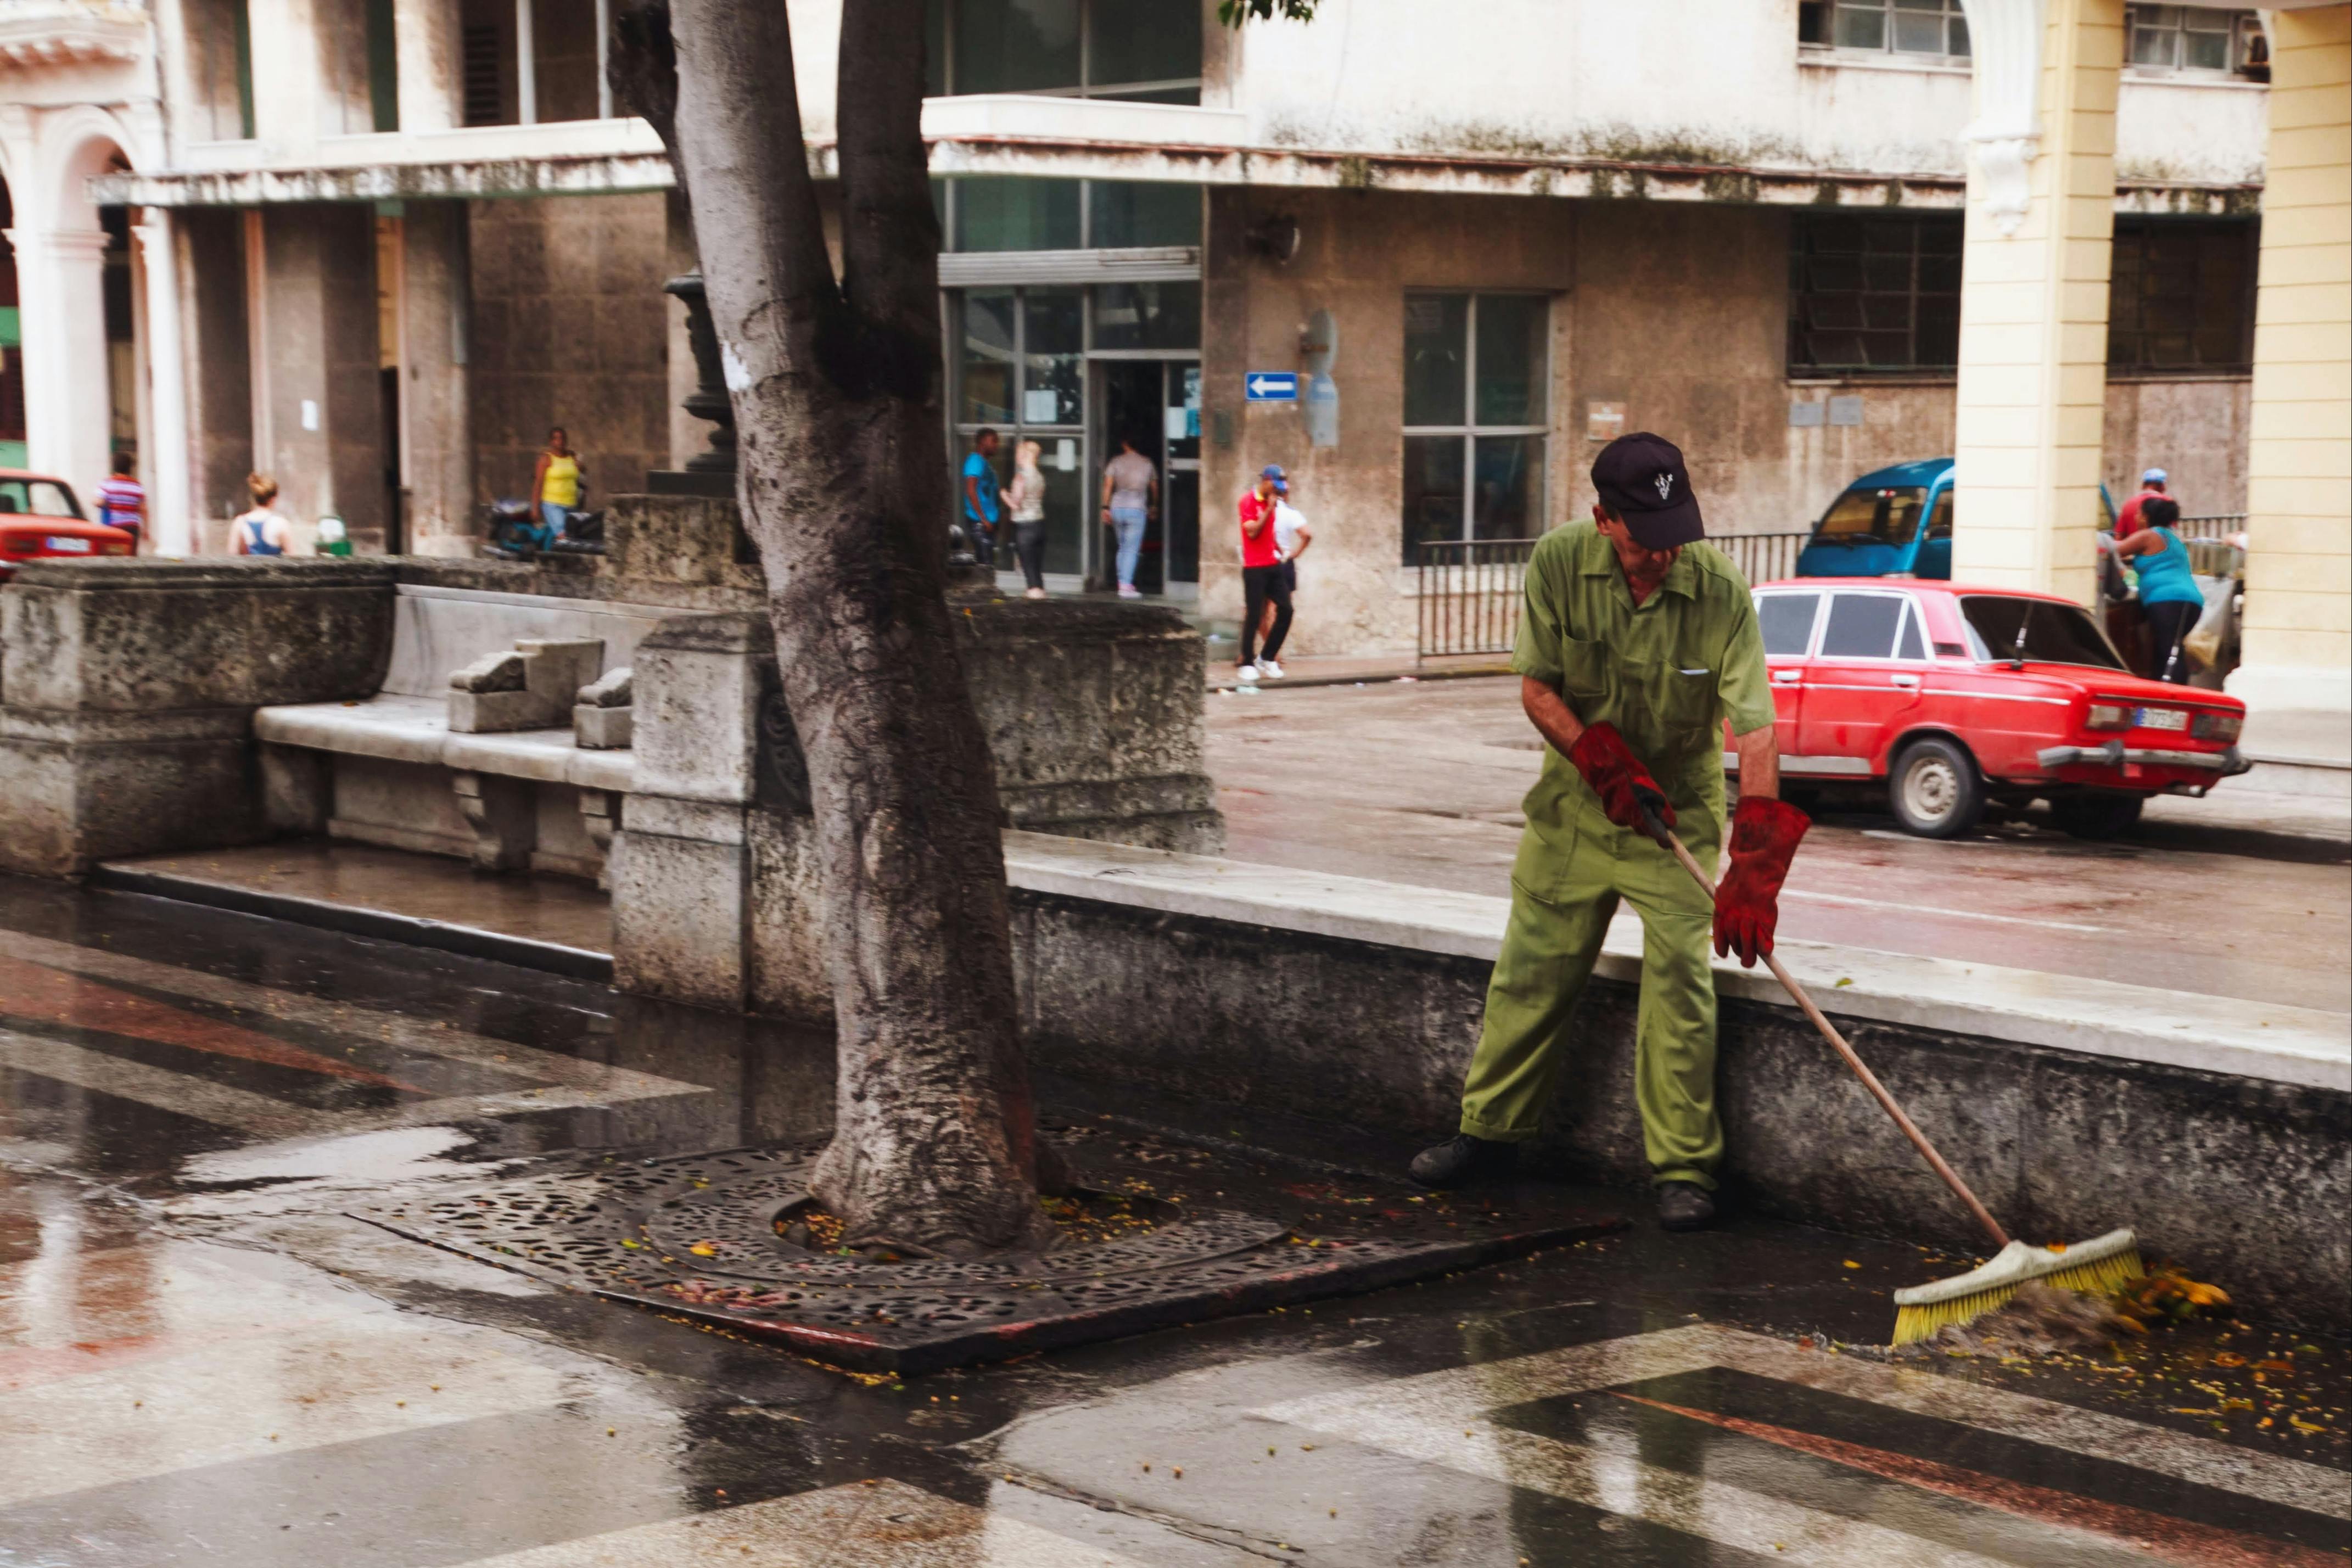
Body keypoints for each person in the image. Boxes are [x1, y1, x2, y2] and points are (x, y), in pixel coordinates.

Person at [1408, 432, 1804, 1235]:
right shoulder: (1556, 564)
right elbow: (1537, 687)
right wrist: (1596, 756)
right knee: (1531, 972)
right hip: (1580, 806)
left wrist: (1755, 868)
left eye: (1674, 536)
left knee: (1682, 990)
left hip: (1678, 817)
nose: (1662, 556)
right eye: (1644, 539)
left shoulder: (1719, 590)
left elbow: (1756, 732)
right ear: (1602, 519)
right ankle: (1488, 1133)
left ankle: (1685, 1168)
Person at [2114, 496, 2205, 684]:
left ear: (2146, 517)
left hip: (2168, 601)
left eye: (2139, 513)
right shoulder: (2172, 538)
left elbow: (2114, 549)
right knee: (2170, 650)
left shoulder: (2148, 535)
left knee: (2168, 651)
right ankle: (2161, 696)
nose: (2136, 517)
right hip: (2189, 601)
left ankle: (2175, 701)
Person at [1236, 465, 1292, 680]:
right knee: (1254, 615)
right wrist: (1268, 509)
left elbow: (1268, 532)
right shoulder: (1248, 501)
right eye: (1276, 487)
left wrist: (1279, 548)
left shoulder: (1274, 502)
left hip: (1272, 564)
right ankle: (1248, 662)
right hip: (1254, 567)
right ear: (1266, 481)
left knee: (1287, 609)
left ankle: (1267, 658)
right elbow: (1251, 532)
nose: (1278, 492)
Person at [1100, 435, 1158, 600]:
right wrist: (1154, 506)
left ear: (1124, 443)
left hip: (1117, 507)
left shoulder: (1116, 462)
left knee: (1122, 546)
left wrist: (1105, 507)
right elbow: (1154, 486)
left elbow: (1108, 485)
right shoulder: (1147, 463)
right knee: (1131, 548)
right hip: (1137, 508)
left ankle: (1123, 582)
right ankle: (1126, 585)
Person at [1261, 478, 1314, 647]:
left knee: (1262, 611)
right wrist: (1296, 553)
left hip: (1263, 562)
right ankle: (1273, 652)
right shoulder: (1292, 513)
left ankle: (1270, 652)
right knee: (1282, 611)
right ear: (1286, 494)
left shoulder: (1263, 510)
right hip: (1284, 562)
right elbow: (1307, 535)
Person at [528, 427, 584, 552]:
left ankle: (547, 551)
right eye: (557, 439)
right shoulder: (546, 459)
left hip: (571, 504)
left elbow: (582, 475)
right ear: (551, 442)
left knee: (573, 536)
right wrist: (535, 508)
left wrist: (582, 467)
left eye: (563, 439)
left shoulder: (572, 457)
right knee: (563, 536)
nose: (560, 442)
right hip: (553, 504)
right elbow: (538, 484)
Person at [1007, 438, 1050, 598]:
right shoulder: (1039, 476)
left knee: (1029, 570)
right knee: (1037, 569)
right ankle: (1040, 597)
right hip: (1039, 523)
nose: (1017, 458)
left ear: (1024, 456)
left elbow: (1016, 503)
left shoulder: (1021, 477)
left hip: (1024, 526)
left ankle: (1035, 600)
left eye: (1018, 455)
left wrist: (1004, 495)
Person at [961, 429, 1003, 567]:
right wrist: (983, 519)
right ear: (983, 442)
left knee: (988, 564)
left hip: (989, 523)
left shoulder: (985, 464)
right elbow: (971, 490)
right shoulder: (975, 461)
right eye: (994, 441)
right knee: (985, 566)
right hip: (980, 524)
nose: (997, 445)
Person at [232, 473, 294, 556]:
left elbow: (232, 556)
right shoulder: (281, 523)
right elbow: (292, 558)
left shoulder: (240, 523)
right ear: (273, 499)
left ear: (253, 497)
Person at [96, 451, 146, 549]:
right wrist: (146, 530)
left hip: (114, 527)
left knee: (115, 555)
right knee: (131, 554)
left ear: (114, 466)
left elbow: (99, 502)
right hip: (132, 527)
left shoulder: (107, 483)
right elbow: (143, 509)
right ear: (130, 467)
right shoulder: (137, 485)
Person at [2115, 467, 2168, 540]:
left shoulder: (2129, 504)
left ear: (2143, 485)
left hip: (2132, 550)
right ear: (2162, 486)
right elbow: (2171, 534)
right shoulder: (2167, 504)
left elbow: (2119, 537)